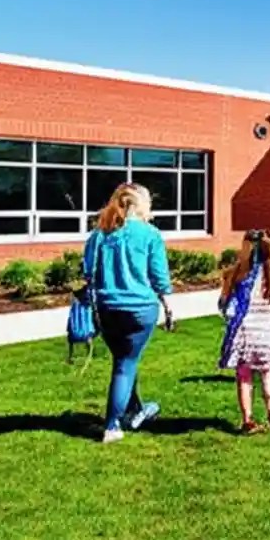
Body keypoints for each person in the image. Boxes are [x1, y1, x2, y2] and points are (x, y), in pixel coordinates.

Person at [83, 182, 174, 444]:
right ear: (142, 205)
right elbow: (159, 277)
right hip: (140, 308)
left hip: (106, 308)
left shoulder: (99, 235)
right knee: (125, 364)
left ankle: (135, 410)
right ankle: (112, 425)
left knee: (124, 361)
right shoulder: (150, 234)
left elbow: (88, 272)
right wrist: (169, 307)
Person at [218, 229, 270, 434]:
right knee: (268, 374)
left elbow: (224, 302)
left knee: (244, 377)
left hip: (244, 334)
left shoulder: (237, 273)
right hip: (269, 334)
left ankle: (247, 419)